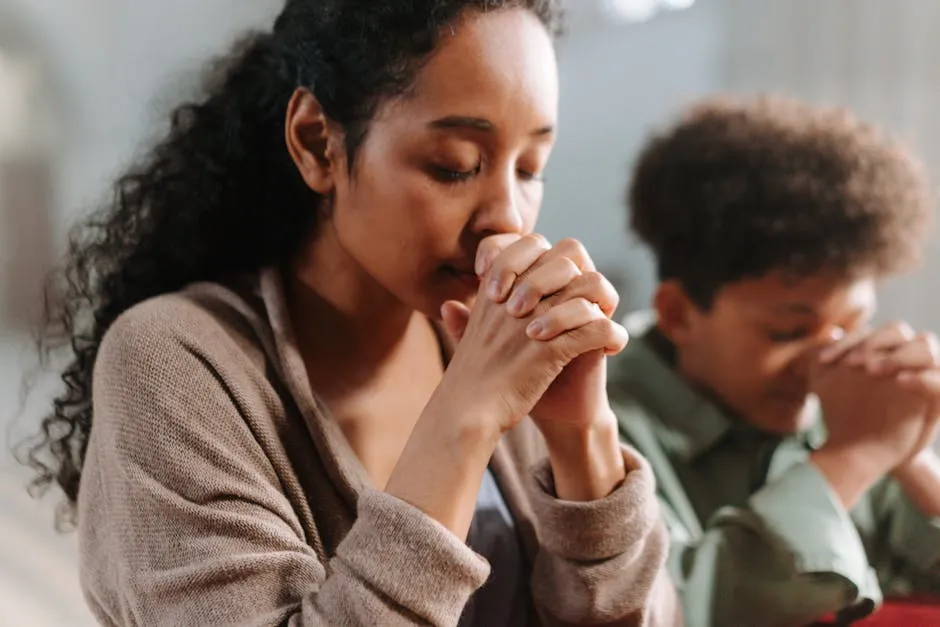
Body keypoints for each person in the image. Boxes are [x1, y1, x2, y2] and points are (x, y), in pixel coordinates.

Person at [17, 1, 681, 626]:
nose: (507, 215)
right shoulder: (173, 363)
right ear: (316, 143)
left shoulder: (502, 353)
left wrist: (582, 439)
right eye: (455, 166)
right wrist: (461, 421)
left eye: (530, 167)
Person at [610, 95, 940, 626]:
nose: (827, 359)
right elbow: (668, 608)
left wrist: (911, 451)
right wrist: (853, 456)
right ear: (679, 314)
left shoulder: (846, 407)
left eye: (853, 325)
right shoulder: (594, 420)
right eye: (788, 331)